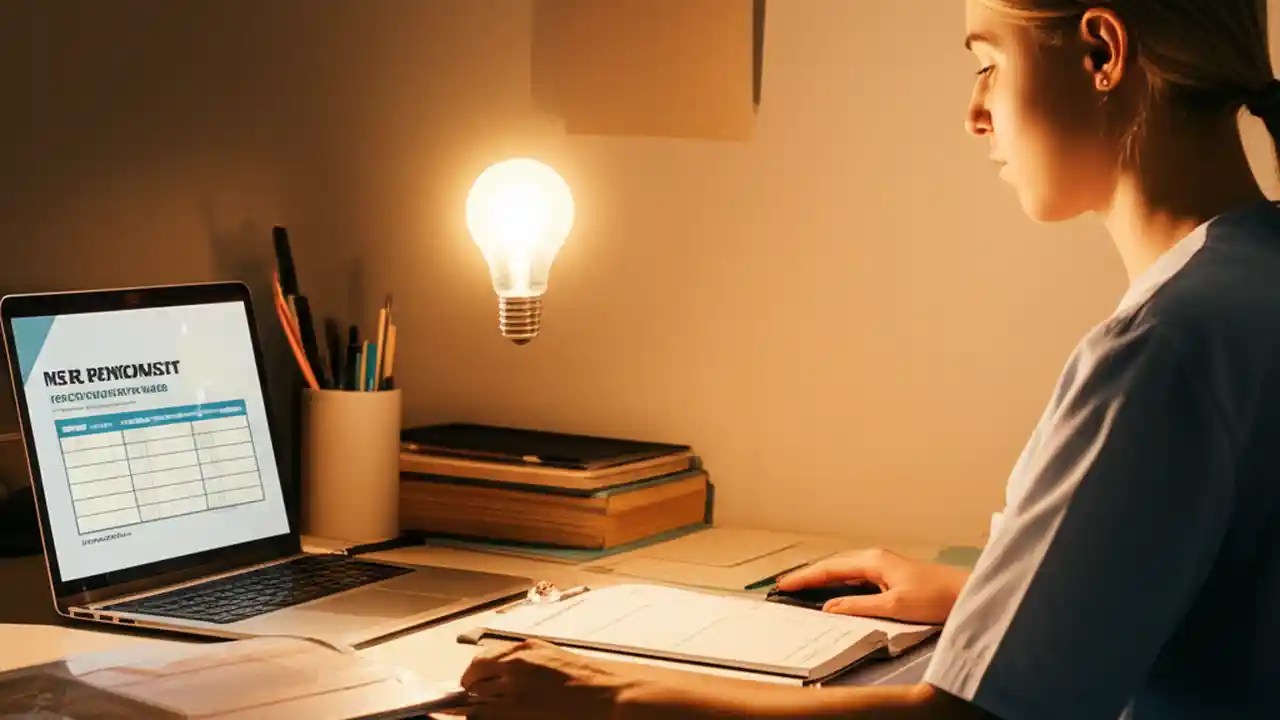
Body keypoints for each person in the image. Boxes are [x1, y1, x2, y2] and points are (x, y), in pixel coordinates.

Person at [460, 0, 1280, 717]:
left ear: (1102, 52)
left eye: (988, 64)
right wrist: (985, 599)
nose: (974, 113)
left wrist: (617, 700)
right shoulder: (1252, 283)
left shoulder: (1164, 349)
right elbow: (1221, 606)